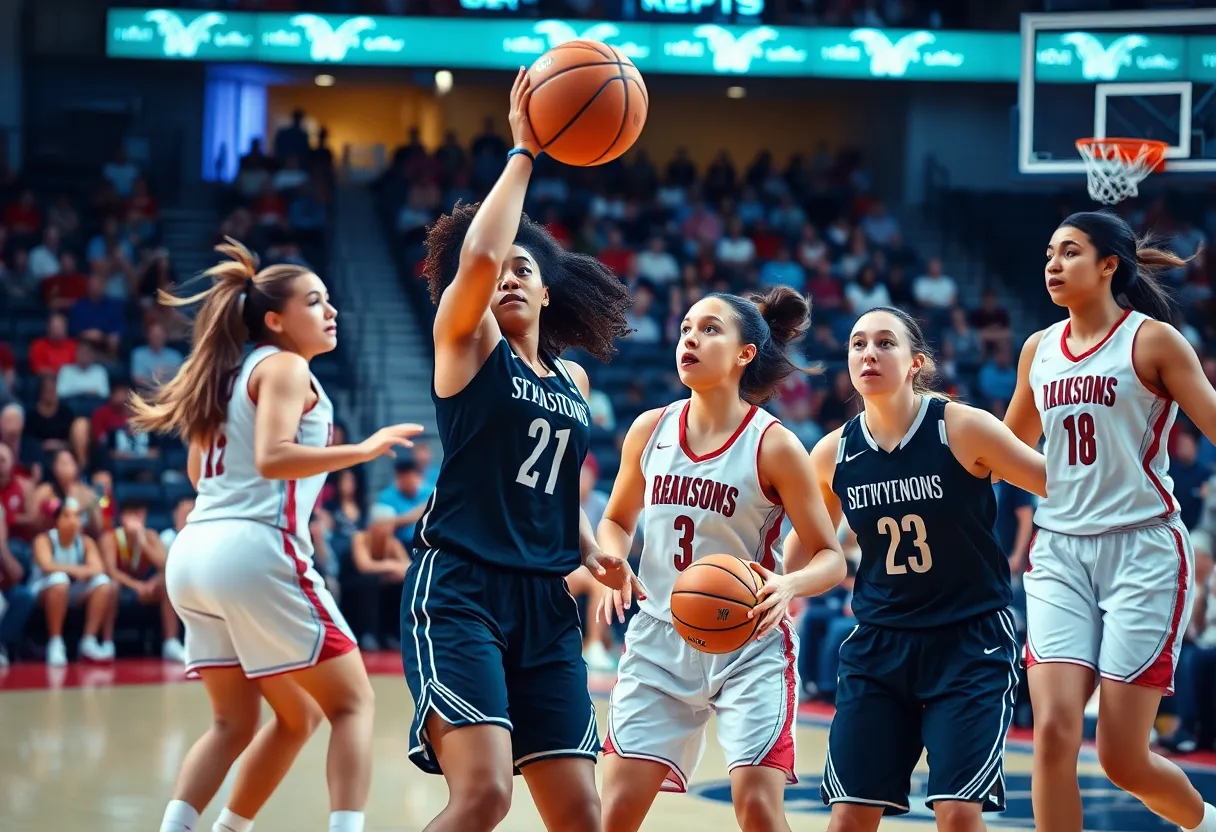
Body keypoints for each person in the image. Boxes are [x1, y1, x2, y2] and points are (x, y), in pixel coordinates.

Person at [401, 69, 636, 832]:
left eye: (523, 271)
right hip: (462, 586)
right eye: (499, 270)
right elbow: (475, 262)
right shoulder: (466, 346)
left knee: (580, 815)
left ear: (544, 295)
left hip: (544, 599)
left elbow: (553, 490)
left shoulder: (570, 379)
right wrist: (525, 150)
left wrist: (597, 549)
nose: (506, 276)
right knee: (483, 796)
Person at [130, 239, 422, 832]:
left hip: (193, 555)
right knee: (352, 703)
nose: (331, 310)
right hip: (254, 548)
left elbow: (196, 472)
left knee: (266, 720)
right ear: (275, 320)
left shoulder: (223, 374)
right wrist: (361, 450)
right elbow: (271, 457)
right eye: (315, 302)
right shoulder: (286, 366)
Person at [595, 287, 848, 832]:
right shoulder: (649, 429)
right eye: (686, 327)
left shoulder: (774, 445)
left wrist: (790, 584)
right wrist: (613, 557)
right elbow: (616, 519)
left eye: (710, 329)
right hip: (661, 636)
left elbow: (831, 558)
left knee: (757, 808)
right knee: (613, 814)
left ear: (744, 354)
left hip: (750, 641)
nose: (691, 337)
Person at [794, 306, 1046, 831]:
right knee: (848, 818)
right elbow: (806, 548)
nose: (869, 352)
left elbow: (1060, 484)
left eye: (886, 343)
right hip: (880, 643)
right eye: (858, 343)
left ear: (916, 363)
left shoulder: (962, 427)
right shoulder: (832, 454)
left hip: (969, 639)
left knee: (956, 814)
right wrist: (761, 584)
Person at [1003, 211, 1216, 832]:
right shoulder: (1038, 350)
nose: (1052, 263)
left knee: (1123, 759)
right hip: (1061, 551)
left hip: (1143, 549)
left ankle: (1202, 822)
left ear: (1108, 266)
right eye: (1048, 252)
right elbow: (1010, 449)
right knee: (1053, 732)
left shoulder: (1151, 341)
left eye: (1069, 252)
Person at [29, 497, 115, 666]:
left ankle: (89, 641)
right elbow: (47, 566)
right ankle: (55, 643)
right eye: (67, 516)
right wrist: (78, 570)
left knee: (103, 583)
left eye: (76, 516)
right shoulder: (44, 540)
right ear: (57, 521)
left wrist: (83, 571)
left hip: (71, 589)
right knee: (60, 580)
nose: (72, 521)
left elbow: (97, 568)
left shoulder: (85, 541)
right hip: (42, 590)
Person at [98, 498, 185, 662]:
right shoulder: (110, 538)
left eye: (141, 515)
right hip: (122, 586)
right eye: (133, 515)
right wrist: (137, 586)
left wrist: (143, 544)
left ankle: (171, 642)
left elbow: (165, 565)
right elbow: (111, 572)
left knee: (168, 581)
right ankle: (107, 642)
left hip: (144, 587)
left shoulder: (150, 536)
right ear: (122, 517)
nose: (138, 519)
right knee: (111, 586)